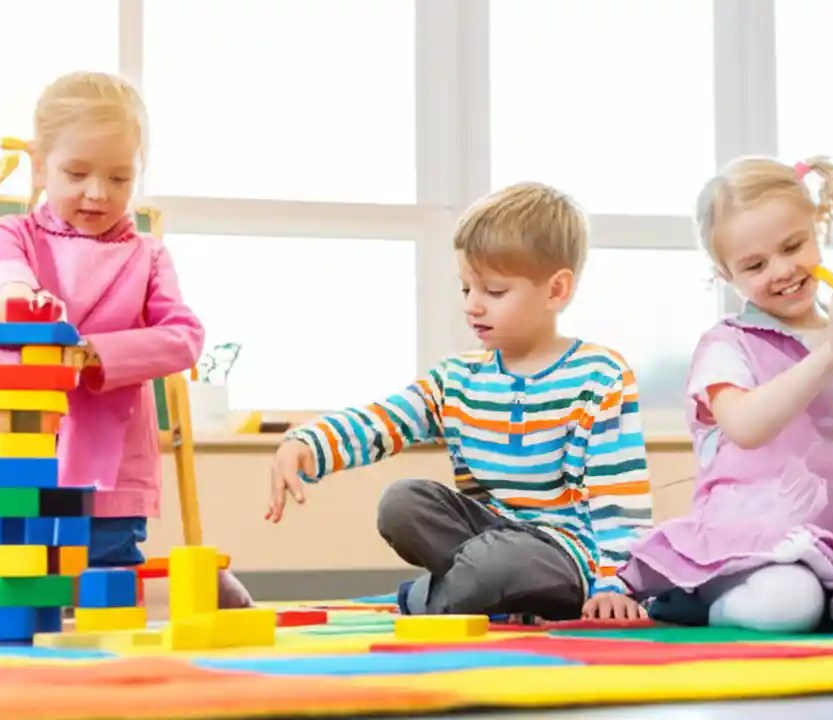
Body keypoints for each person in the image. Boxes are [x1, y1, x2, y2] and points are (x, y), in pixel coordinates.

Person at [267, 182, 652, 621]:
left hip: (561, 553)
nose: (472, 306)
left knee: (500, 562)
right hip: (484, 538)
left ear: (556, 290)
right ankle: (486, 594)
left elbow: (619, 498)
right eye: (466, 289)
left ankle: (427, 598)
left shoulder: (600, 376)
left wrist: (616, 583)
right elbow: (384, 420)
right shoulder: (456, 378)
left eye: (494, 291)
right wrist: (307, 443)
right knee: (402, 503)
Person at [0, 71, 252, 608]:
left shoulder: (147, 254)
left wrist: (96, 353)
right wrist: (22, 295)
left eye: (118, 178)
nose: (97, 192)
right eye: (77, 172)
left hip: (108, 464)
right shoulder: (10, 236)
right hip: (13, 452)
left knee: (104, 587)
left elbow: (183, 337)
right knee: (8, 584)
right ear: (40, 167)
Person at [617, 156, 833, 632]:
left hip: (832, 539)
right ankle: (695, 600)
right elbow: (747, 426)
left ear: (817, 229)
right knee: (789, 603)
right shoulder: (726, 345)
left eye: (793, 245)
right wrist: (831, 355)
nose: (782, 270)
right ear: (726, 274)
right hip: (746, 546)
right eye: (755, 265)